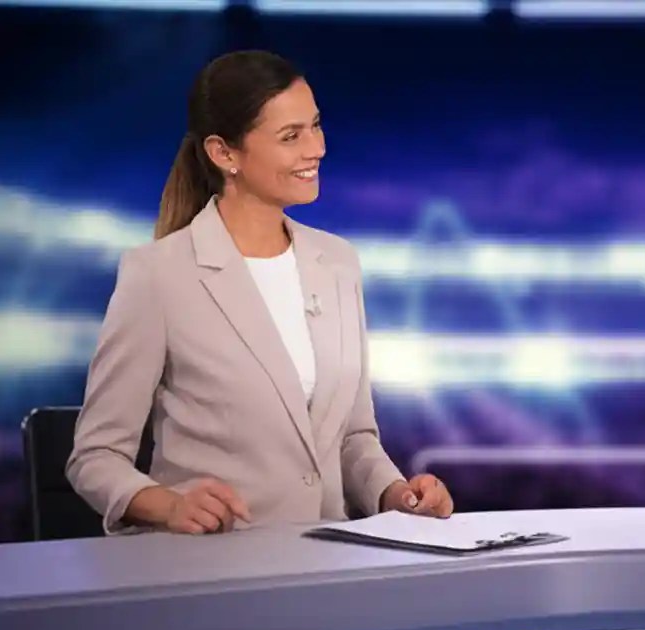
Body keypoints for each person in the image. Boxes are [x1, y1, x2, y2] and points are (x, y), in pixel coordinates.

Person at [67, 50, 453, 535]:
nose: (317, 148)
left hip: (329, 560)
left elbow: (352, 438)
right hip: (209, 563)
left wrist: (397, 495)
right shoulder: (158, 275)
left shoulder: (338, 263)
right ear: (224, 153)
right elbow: (96, 457)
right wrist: (167, 506)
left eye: (316, 126)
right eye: (291, 136)